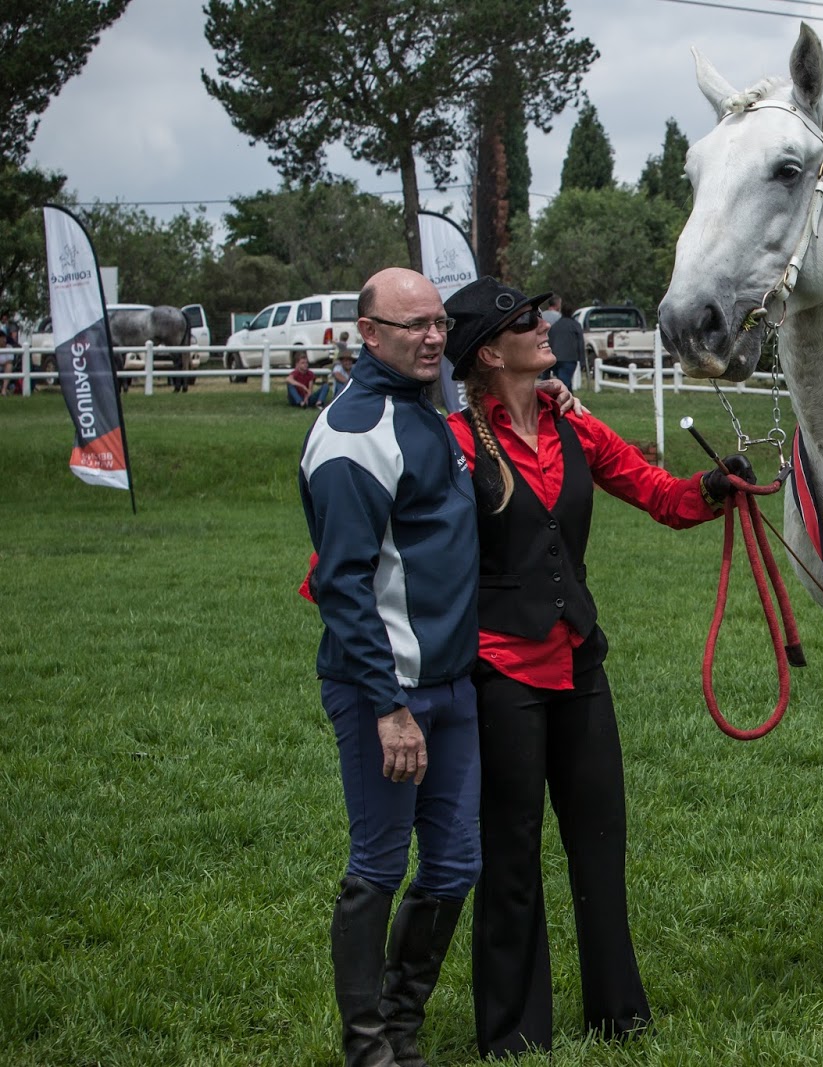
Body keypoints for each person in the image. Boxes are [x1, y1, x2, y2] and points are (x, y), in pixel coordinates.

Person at [440, 277, 752, 1058]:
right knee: (511, 854)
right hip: (499, 669)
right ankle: (514, 1032)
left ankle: (619, 1014)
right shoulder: (450, 440)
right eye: (525, 322)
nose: (546, 327)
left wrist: (713, 487)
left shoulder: (572, 426)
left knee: (600, 843)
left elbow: (658, 494)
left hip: (579, 661)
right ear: (489, 351)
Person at [298, 267, 485, 1067]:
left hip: (453, 684)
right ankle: (367, 1046)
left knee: (455, 863)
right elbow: (339, 584)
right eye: (414, 326)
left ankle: (402, 1027)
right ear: (367, 332)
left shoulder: (429, 412)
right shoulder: (352, 431)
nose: (434, 338)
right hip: (387, 690)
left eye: (440, 323)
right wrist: (387, 704)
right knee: (379, 861)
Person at [543, 294, 584, 391]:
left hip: (556, 358)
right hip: (569, 359)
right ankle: (562, 401)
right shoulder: (575, 325)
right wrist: (582, 360)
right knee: (564, 382)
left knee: (565, 381)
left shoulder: (555, 326)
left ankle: (570, 400)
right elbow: (580, 343)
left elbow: (550, 341)